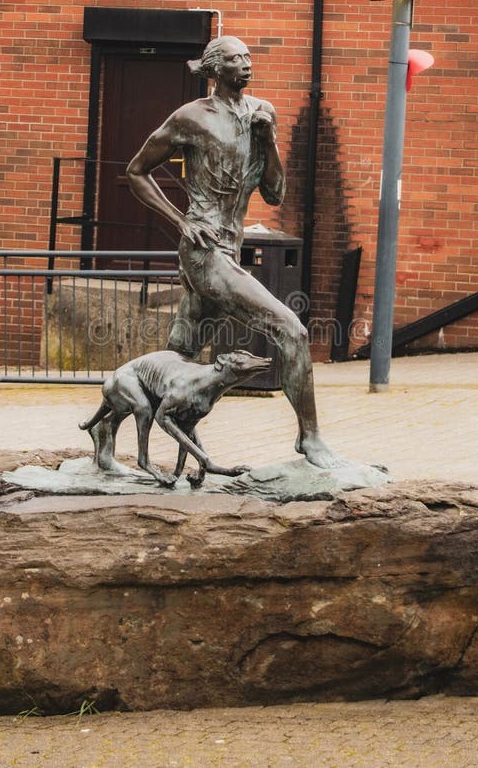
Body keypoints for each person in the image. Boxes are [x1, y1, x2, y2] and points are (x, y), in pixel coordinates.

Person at [126, 35, 342, 470]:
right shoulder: (191, 117)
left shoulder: (262, 113)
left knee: (180, 356)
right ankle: (311, 439)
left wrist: (269, 140)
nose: (245, 63)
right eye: (234, 58)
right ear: (214, 68)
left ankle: (137, 446)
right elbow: (136, 171)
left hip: (231, 247)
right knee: (292, 331)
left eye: (247, 56)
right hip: (205, 252)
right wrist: (182, 220)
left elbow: (275, 193)